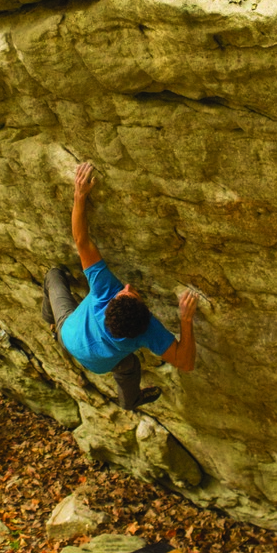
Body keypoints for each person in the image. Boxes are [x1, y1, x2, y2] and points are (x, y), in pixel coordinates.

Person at [42, 161, 198, 411]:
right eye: (129, 292)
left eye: (126, 292)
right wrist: (186, 320)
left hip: (68, 335)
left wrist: (79, 195)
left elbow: (81, 240)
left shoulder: (105, 290)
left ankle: (50, 320)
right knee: (129, 366)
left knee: (53, 276)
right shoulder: (148, 331)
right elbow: (185, 362)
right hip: (99, 364)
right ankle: (130, 400)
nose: (126, 286)